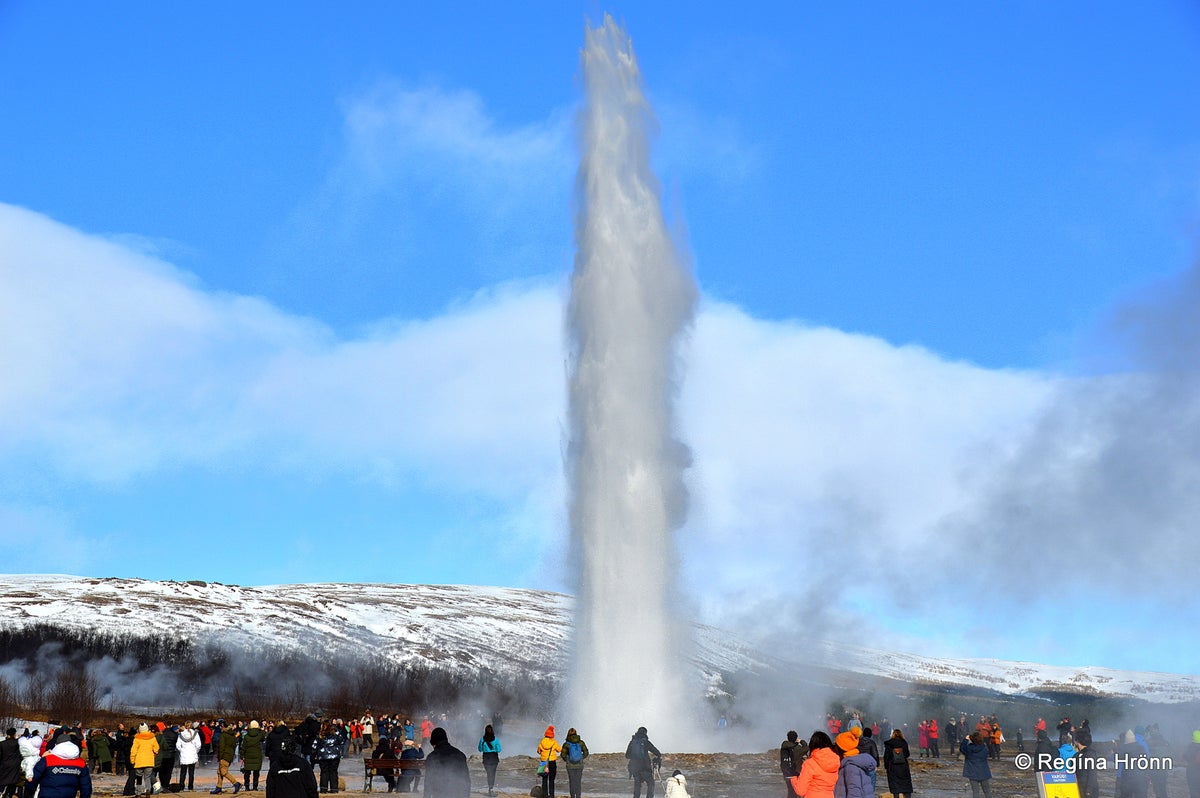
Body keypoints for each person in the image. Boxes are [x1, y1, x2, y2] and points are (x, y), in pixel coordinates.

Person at [422, 727, 468, 798]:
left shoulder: (432, 757)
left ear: (433, 742)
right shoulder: (460, 755)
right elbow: (466, 780)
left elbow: (428, 781)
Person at [791, 732, 839, 798]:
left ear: (812, 745)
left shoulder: (810, 763)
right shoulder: (835, 762)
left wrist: (793, 778)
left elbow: (800, 791)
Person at [834, 731, 876, 798]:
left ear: (841, 748)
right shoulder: (857, 761)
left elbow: (854, 791)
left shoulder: (850, 766)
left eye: (836, 745)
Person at [625, 727, 661, 798]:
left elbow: (627, 755)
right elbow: (656, 752)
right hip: (645, 767)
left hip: (634, 768)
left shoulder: (632, 742)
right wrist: (658, 757)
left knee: (637, 785)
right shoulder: (645, 741)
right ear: (645, 733)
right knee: (651, 783)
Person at [130, 725, 160, 797]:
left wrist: (132, 760)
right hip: (149, 761)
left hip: (139, 761)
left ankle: (138, 793)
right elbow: (157, 748)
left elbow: (133, 750)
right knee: (147, 777)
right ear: (147, 729)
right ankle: (148, 790)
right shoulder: (152, 738)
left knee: (139, 777)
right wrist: (154, 754)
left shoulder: (137, 739)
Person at [213, 721, 243, 795]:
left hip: (224, 756)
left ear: (222, 727)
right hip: (230, 755)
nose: (220, 728)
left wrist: (220, 757)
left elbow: (221, 747)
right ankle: (218, 787)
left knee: (223, 772)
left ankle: (236, 783)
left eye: (220, 726)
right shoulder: (233, 735)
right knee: (219, 771)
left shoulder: (223, 735)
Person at [960, 732, 992, 798]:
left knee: (975, 792)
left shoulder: (968, 749)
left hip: (972, 772)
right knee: (987, 791)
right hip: (983, 772)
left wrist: (965, 740)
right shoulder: (984, 749)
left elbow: (962, 748)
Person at [312, 722, 341, 795]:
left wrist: (314, 754)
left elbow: (314, 746)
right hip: (334, 756)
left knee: (324, 772)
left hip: (323, 756)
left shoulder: (320, 735)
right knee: (333, 772)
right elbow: (341, 740)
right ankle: (334, 789)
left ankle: (323, 789)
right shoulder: (335, 733)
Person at [883, 729, 913, 798]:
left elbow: (886, 757)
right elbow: (907, 754)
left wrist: (886, 767)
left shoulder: (889, 744)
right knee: (906, 786)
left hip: (893, 767)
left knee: (895, 788)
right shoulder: (904, 743)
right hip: (903, 767)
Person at [560, 728, 588, 798]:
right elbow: (586, 752)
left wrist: (568, 760)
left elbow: (562, 755)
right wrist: (581, 758)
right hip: (580, 765)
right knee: (578, 781)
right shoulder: (581, 742)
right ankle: (578, 796)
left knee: (572, 781)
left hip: (570, 766)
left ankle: (572, 796)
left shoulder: (566, 744)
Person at [536, 726, 562, 798]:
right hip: (552, 762)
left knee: (544, 779)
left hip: (544, 762)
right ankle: (551, 795)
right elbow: (559, 750)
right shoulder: (554, 742)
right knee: (551, 779)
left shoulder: (542, 741)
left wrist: (543, 754)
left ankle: (545, 795)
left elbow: (538, 751)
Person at [781, 731, 808, 798]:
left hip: (786, 772)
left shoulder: (784, 746)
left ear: (788, 738)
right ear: (796, 738)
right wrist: (801, 741)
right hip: (795, 773)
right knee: (795, 792)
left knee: (790, 791)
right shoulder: (797, 748)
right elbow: (806, 748)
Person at [477, 725, 501, 797]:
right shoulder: (496, 739)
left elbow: (480, 749)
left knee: (488, 774)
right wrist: (493, 749)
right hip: (494, 758)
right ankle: (491, 789)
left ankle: (490, 788)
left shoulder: (482, 739)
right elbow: (499, 750)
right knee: (493, 774)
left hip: (486, 758)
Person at [242, 721, 266, 791]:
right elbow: (263, 738)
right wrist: (261, 730)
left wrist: (242, 755)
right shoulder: (259, 735)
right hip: (257, 756)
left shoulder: (246, 736)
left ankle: (247, 787)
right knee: (256, 773)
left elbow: (243, 747)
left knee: (247, 773)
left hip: (248, 756)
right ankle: (255, 787)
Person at [177, 723, 202, 792]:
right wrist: (195, 751)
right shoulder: (195, 734)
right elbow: (199, 745)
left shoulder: (181, 734)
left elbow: (178, 745)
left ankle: (181, 787)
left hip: (184, 756)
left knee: (183, 773)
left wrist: (182, 750)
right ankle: (190, 787)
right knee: (191, 773)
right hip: (192, 755)